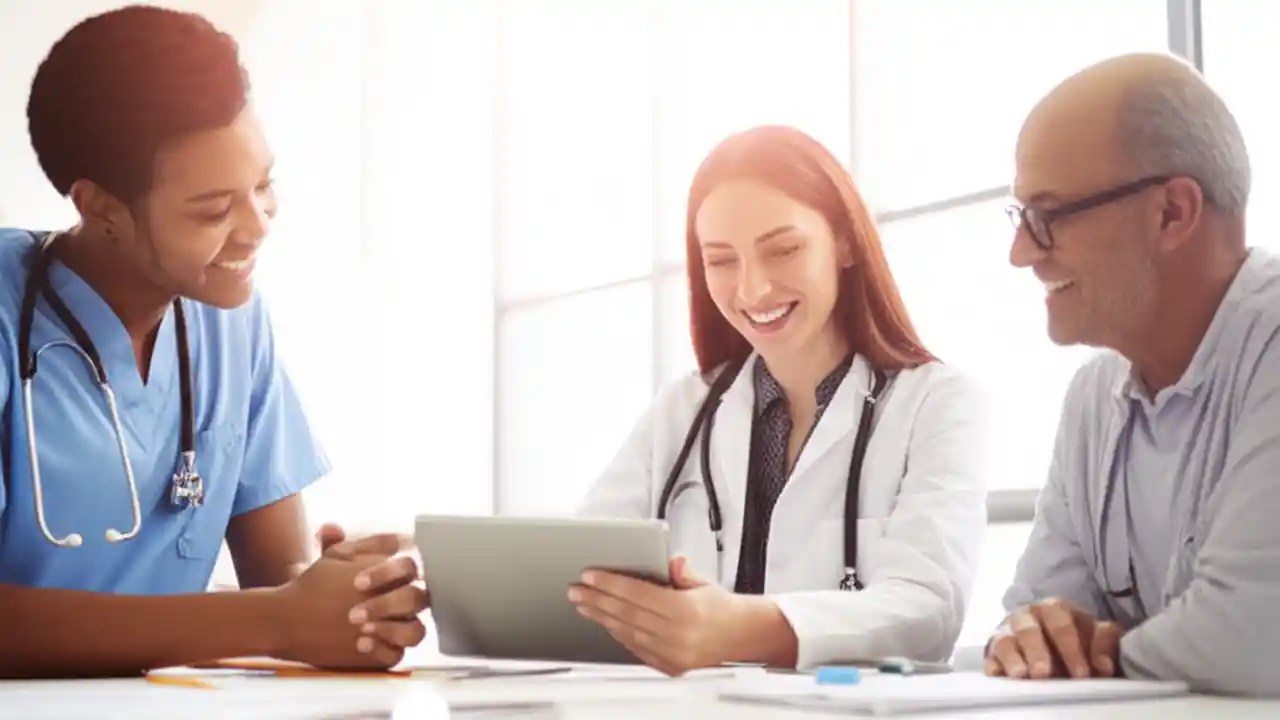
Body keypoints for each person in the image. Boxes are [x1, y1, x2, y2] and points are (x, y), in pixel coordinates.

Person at [0, 6, 427, 678]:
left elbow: (278, 574)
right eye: (214, 208)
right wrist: (281, 619)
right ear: (99, 207)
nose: (257, 226)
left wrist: (345, 596)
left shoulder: (232, 323)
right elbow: (271, 613)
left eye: (264, 186)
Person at [568, 126, 988, 676]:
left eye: (784, 250)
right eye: (721, 261)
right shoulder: (683, 410)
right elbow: (579, 575)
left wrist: (737, 629)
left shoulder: (937, 403)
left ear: (844, 242)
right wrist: (446, 573)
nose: (753, 291)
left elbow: (928, 612)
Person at [987, 53, 1280, 696]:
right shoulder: (1093, 397)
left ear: (1173, 212)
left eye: (1049, 217)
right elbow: (1036, 615)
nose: (1021, 254)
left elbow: (1253, 634)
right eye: (1020, 218)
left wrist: (1097, 655)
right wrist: (1031, 640)